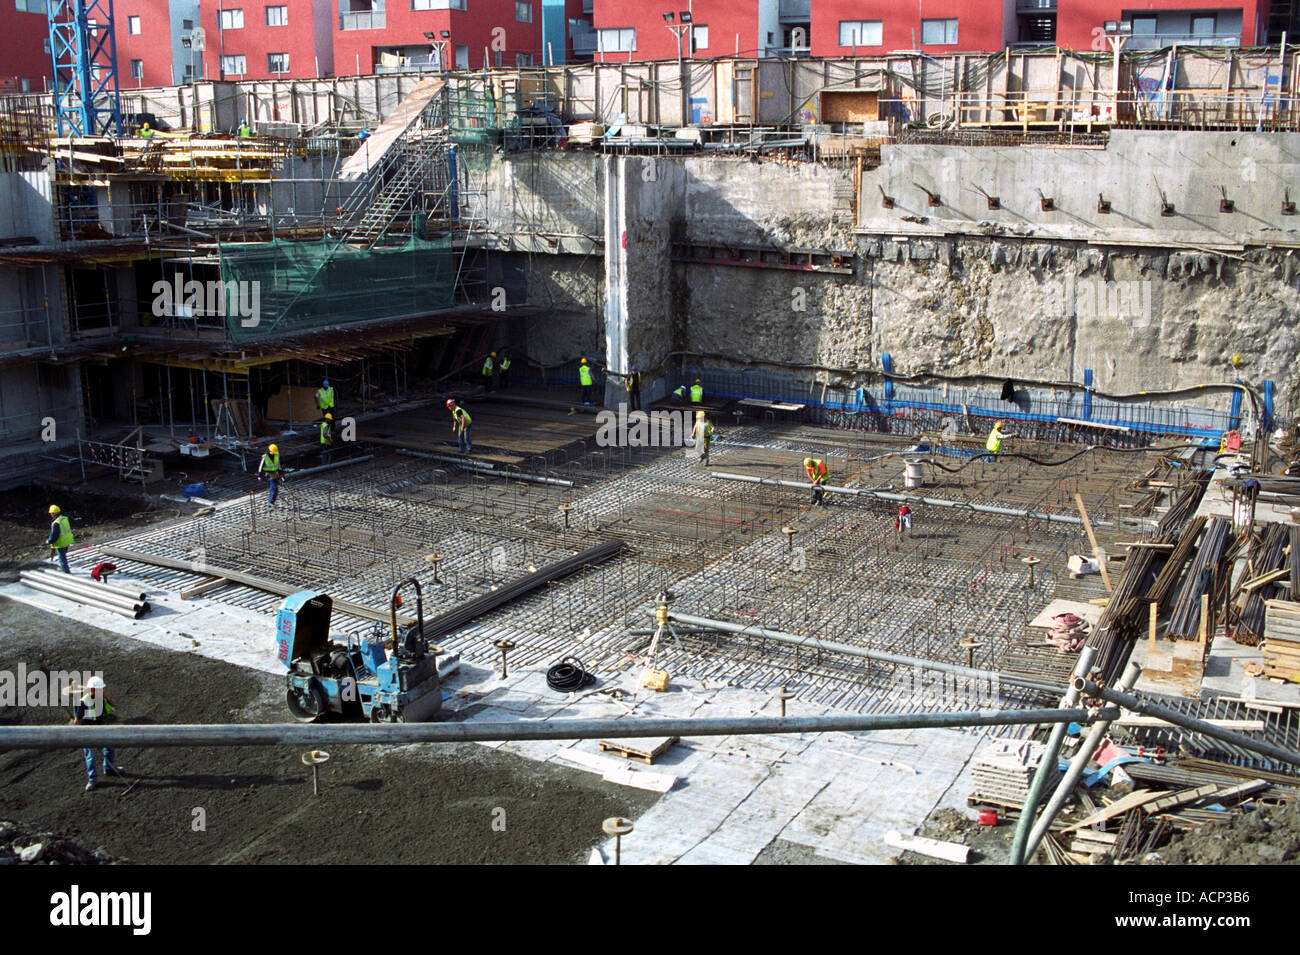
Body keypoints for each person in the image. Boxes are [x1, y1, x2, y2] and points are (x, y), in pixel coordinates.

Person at [75, 676, 120, 792]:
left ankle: (109, 768)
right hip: (88, 732)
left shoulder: (101, 699)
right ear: (93, 690)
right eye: (101, 689)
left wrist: (106, 698)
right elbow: (77, 720)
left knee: (109, 747)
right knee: (90, 756)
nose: (102, 691)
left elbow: (114, 706)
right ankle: (92, 779)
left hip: (100, 729)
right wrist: (82, 732)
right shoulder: (84, 702)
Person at [46, 504, 73, 574]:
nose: (50, 514)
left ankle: (66, 573)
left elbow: (54, 535)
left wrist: (49, 541)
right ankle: (65, 570)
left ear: (54, 513)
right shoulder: (64, 518)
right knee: (64, 556)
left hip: (60, 543)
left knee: (62, 559)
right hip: (67, 541)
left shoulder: (56, 523)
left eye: (51, 513)